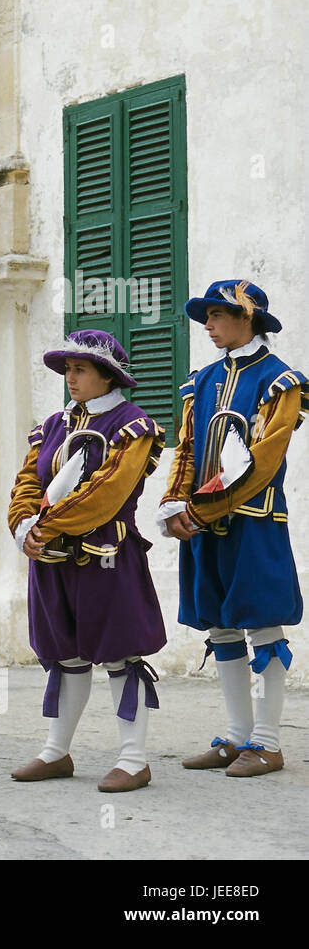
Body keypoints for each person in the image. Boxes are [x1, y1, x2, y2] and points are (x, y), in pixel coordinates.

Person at [7, 330, 167, 792]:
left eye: (79, 369)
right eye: (67, 370)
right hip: (51, 558)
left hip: (108, 554)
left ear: (106, 374)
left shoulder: (133, 425)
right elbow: (27, 480)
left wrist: (46, 524)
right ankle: (56, 752)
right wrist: (22, 523)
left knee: (122, 655)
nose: (69, 378)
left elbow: (108, 492)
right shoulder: (53, 424)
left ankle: (134, 760)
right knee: (64, 655)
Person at [158, 279, 306, 778]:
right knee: (220, 624)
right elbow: (187, 450)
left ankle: (267, 742)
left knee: (261, 621)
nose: (208, 325)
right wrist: (173, 503)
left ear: (247, 318)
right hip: (201, 521)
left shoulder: (281, 380)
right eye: (205, 316)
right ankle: (237, 735)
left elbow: (262, 460)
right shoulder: (199, 381)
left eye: (217, 316)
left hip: (254, 519)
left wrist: (204, 511)